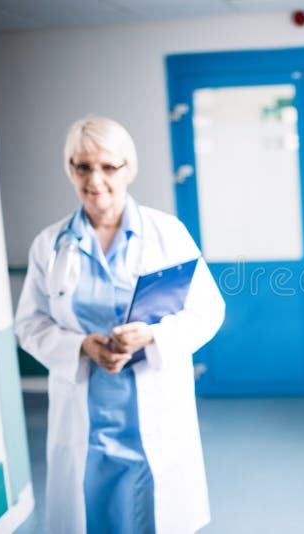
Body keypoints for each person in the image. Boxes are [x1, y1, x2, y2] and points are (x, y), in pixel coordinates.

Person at [15, 116, 225, 533]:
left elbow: (208, 310)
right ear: (69, 170)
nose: (96, 180)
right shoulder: (50, 245)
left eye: (109, 167)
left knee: (155, 516)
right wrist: (80, 346)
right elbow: (29, 324)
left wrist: (154, 335)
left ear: (129, 169)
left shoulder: (167, 233)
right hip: (86, 423)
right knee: (92, 517)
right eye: (82, 166)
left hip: (154, 413)